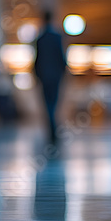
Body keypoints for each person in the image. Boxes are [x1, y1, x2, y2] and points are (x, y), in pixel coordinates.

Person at [34, 11, 67, 143]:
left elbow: (36, 59)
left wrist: (37, 75)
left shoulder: (40, 38)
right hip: (56, 76)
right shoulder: (57, 37)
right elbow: (61, 57)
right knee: (53, 103)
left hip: (44, 76)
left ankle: (51, 128)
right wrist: (63, 73)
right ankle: (53, 128)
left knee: (47, 104)